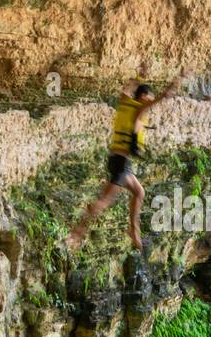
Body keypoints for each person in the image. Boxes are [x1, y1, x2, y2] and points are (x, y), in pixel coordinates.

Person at [66, 71, 184, 253]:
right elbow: (160, 98)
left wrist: (139, 76)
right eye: (147, 98)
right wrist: (173, 85)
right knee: (105, 200)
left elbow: (126, 89)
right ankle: (77, 231)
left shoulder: (124, 103)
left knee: (139, 192)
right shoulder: (139, 109)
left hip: (119, 161)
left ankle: (133, 230)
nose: (149, 103)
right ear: (143, 97)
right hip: (121, 162)